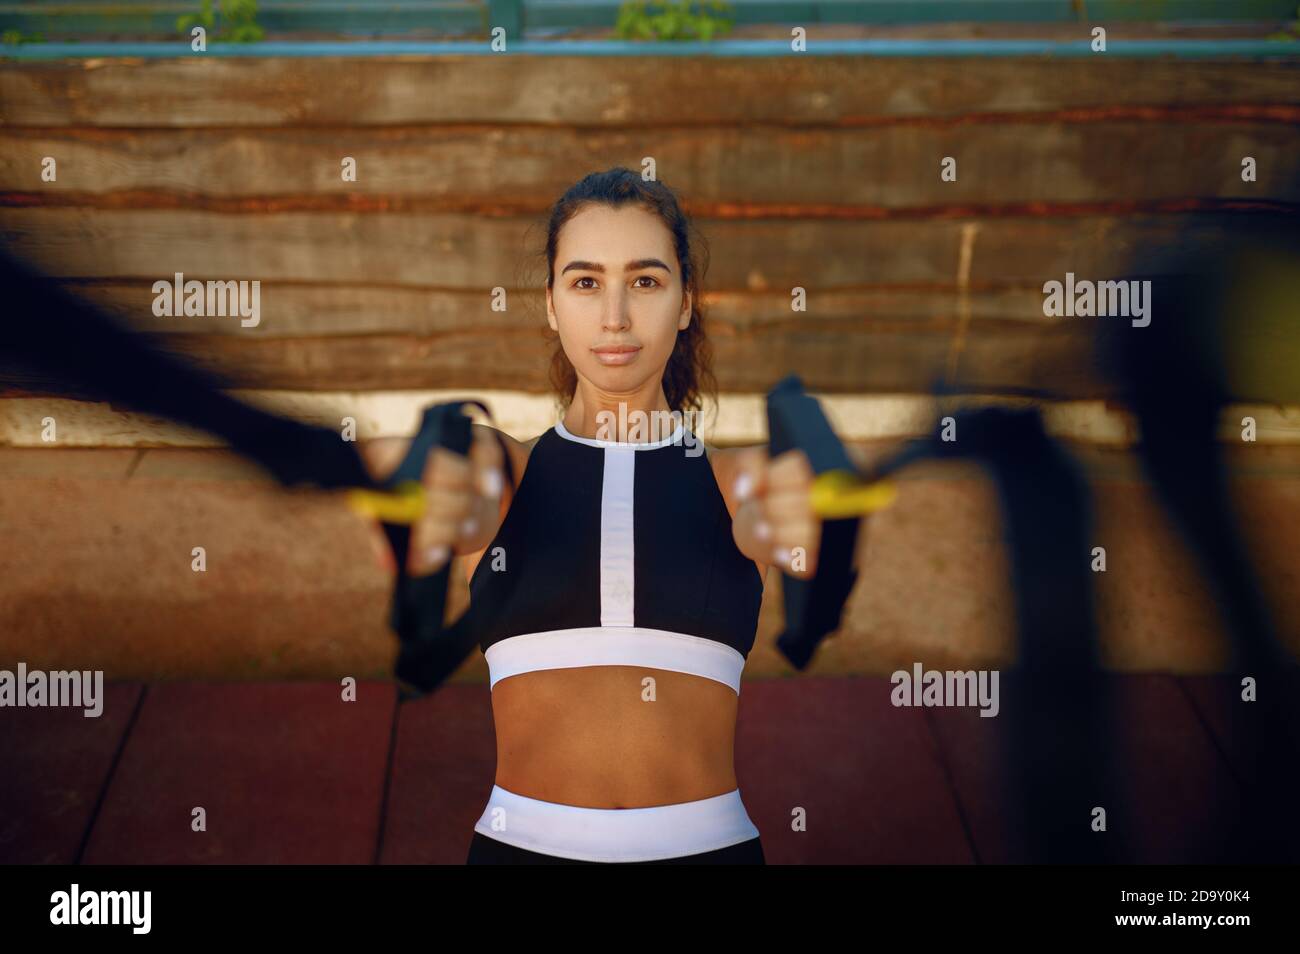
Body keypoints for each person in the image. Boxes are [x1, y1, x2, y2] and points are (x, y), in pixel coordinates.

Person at [361, 168, 826, 864]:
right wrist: (423, 485)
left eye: (645, 281)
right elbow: (446, 473)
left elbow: (797, 523)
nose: (615, 316)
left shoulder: (735, 483)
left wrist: (811, 518)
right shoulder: (507, 474)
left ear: (686, 301)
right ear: (550, 304)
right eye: (585, 282)